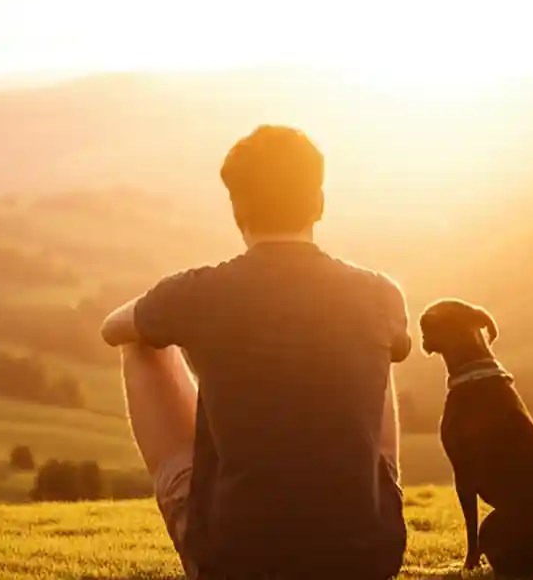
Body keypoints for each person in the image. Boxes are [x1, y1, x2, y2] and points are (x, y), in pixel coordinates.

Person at [101, 125, 411, 579]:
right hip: (366, 557)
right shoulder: (381, 293)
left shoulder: (198, 292)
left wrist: (173, 314)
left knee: (139, 343)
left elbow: (113, 328)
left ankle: (211, 497)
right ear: (319, 204)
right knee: (376, 344)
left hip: (238, 561)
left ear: (236, 210)